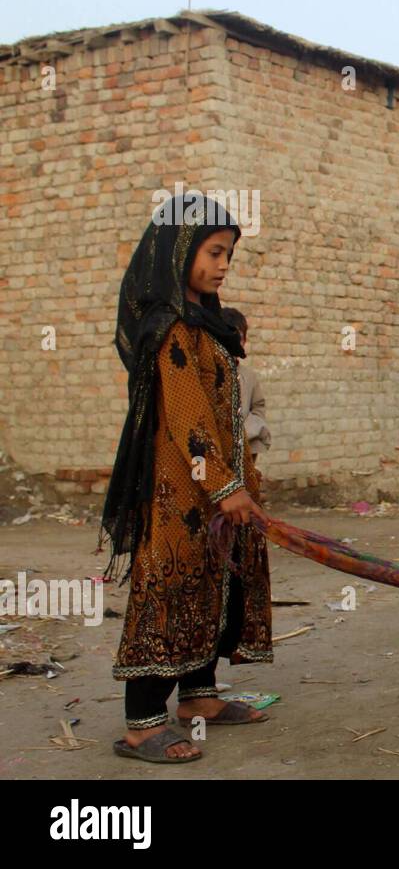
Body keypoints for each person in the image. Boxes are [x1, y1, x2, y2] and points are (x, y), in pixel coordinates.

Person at [100, 194, 273, 763]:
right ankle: (142, 723)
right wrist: (225, 487)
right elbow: (189, 422)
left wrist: (239, 483)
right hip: (181, 493)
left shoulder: (210, 325)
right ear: (178, 252)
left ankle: (198, 698)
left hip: (216, 491)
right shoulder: (172, 329)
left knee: (213, 580)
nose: (224, 265)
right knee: (170, 587)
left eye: (229, 254)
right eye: (214, 252)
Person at [221, 307, 271, 465]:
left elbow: (258, 407)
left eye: (239, 338)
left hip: (245, 447)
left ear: (244, 341)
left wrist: (251, 428)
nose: (234, 343)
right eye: (228, 337)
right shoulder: (209, 374)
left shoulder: (248, 376)